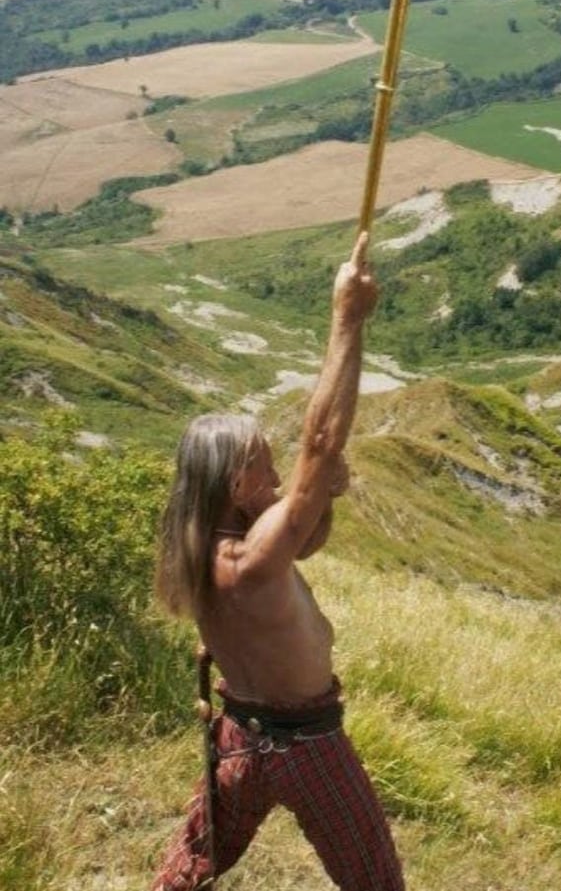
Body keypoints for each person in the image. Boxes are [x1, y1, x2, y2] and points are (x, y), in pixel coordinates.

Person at [150, 232, 404, 891]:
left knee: (192, 864)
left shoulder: (213, 548)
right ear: (236, 487)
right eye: (265, 461)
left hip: (242, 736)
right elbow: (321, 441)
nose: (279, 470)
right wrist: (347, 316)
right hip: (309, 742)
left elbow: (307, 533)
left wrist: (320, 497)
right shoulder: (254, 558)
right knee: (375, 878)